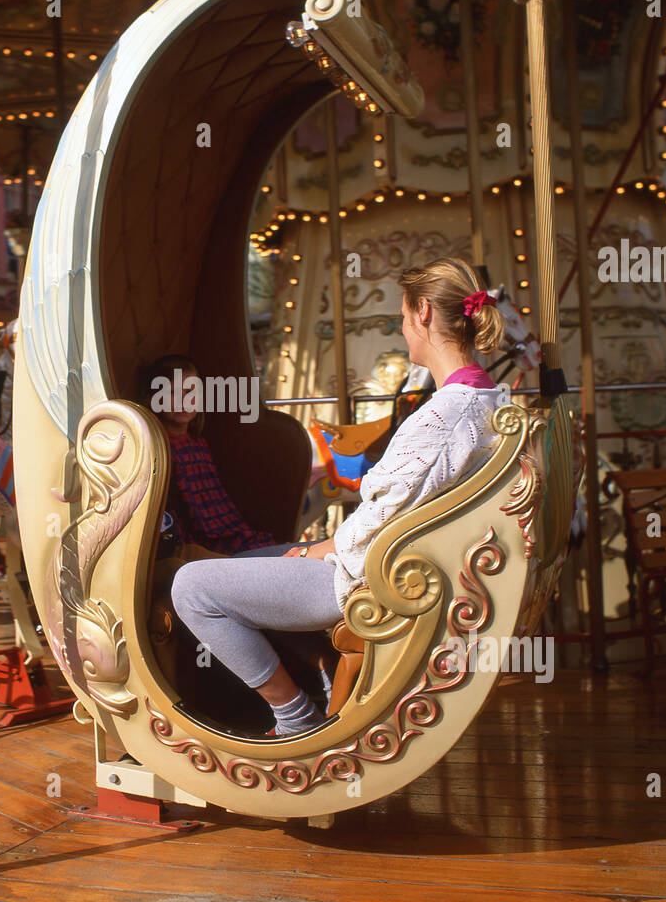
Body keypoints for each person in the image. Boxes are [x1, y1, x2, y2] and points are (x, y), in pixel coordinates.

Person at [170, 257, 505, 736]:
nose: (404, 329)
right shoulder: (485, 400)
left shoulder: (446, 417)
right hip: (397, 565)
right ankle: (327, 685)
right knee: (253, 554)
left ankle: (295, 718)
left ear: (425, 312)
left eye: (404, 317)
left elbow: (383, 523)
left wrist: (320, 549)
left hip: (374, 580)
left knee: (191, 587)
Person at [143, 354, 274, 558]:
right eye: (172, 392)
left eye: (191, 392)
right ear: (153, 398)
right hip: (191, 539)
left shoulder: (198, 444)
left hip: (225, 531)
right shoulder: (157, 447)